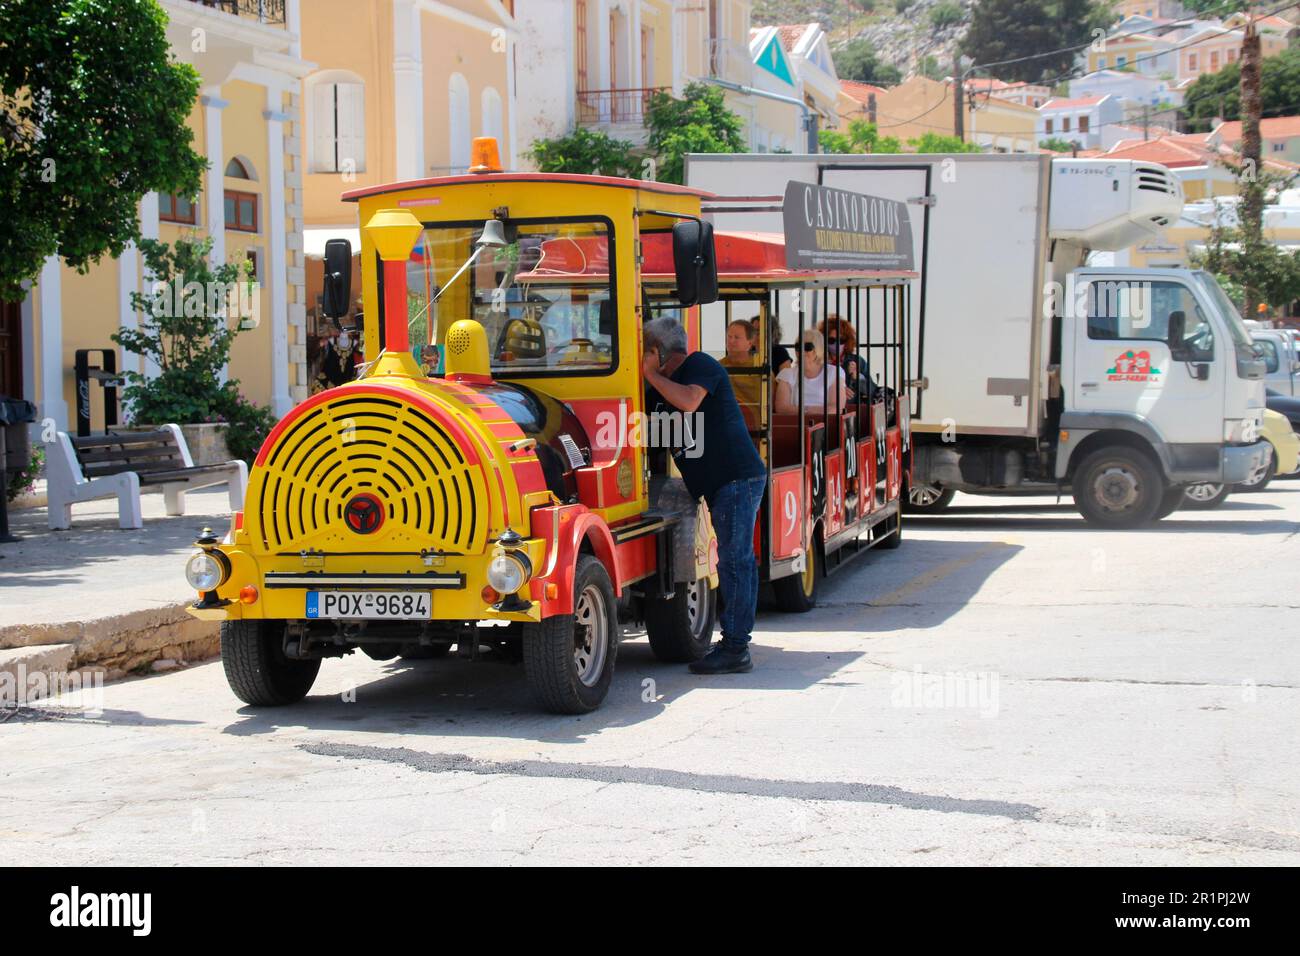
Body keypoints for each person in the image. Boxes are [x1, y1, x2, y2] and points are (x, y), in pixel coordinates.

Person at [642, 316, 767, 675]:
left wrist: (651, 375)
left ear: (659, 351)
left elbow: (690, 401)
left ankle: (736, 647)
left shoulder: (700, 365)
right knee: (734, 560)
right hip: (718, 485)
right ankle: (735, 641)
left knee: (734, 561)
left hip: (736, 479)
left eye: (646, 352)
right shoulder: (661, 385)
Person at [775, 327, 848, 414]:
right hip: (797, 424)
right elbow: (781, 408)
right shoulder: (787, 374)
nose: (801, 351)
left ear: (818, 349)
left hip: (826, 424)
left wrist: (801, 410)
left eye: (807, 347)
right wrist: (809, 410)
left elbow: (836, 408)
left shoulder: (834, 372)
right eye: (798, 347)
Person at [720, 319, 761, 424]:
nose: (731, 341)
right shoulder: (717, 366)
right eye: (729, 337)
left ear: (750, 343)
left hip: (753, 429)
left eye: (736, 337)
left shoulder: (759, 369)